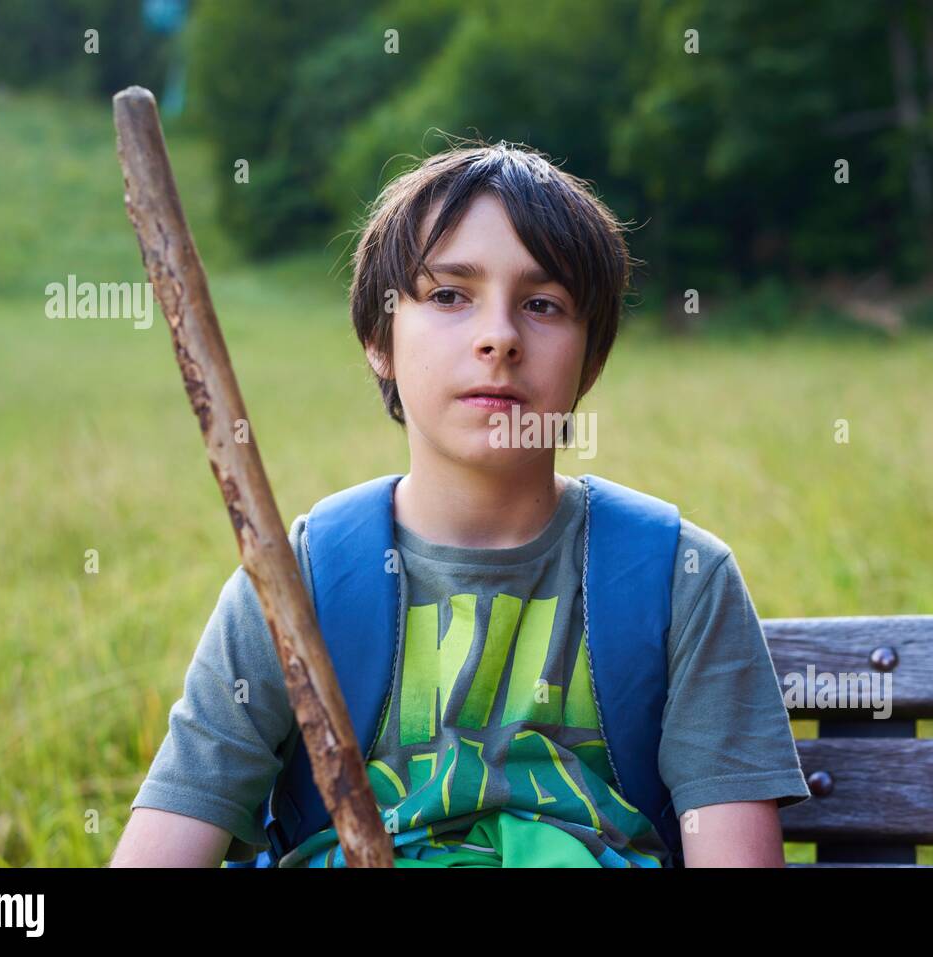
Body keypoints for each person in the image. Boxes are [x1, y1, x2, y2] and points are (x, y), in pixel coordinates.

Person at [110, 140, 809, 868]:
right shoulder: (299, 585)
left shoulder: (679, 579)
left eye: (543, 304)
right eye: (449, 295)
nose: (499, 337)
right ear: (379, 337)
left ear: (589, 358)